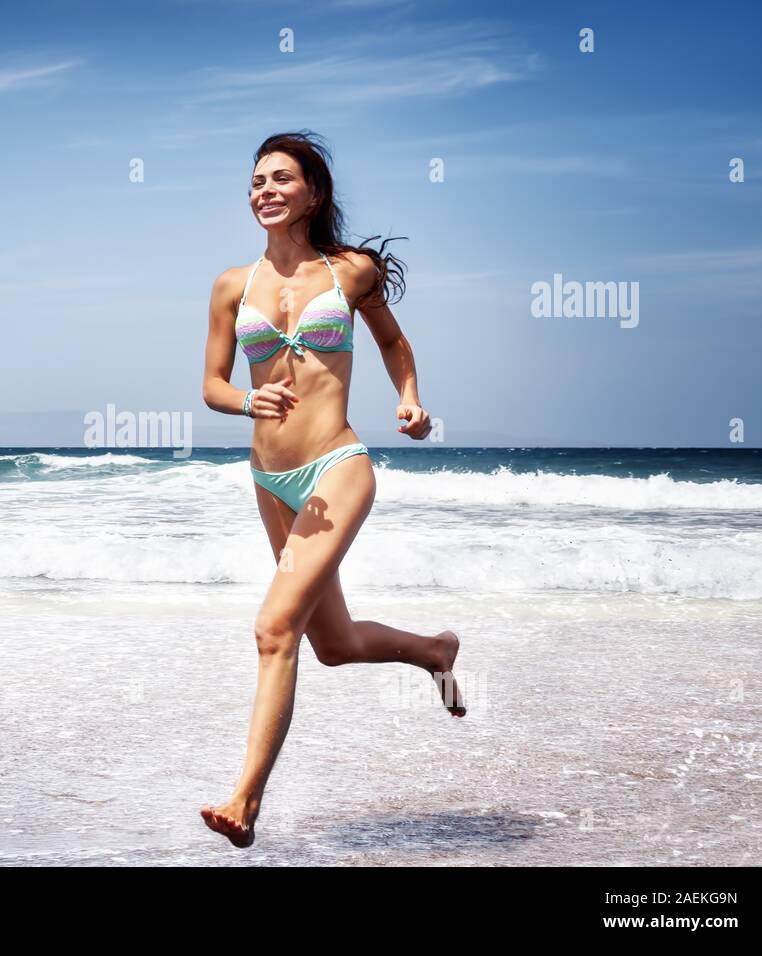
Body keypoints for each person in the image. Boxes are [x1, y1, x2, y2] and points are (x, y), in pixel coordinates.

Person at [199, 131, 464, 848]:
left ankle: (244, 801)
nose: (266, 191)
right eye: (257, 181)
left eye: (282, 178)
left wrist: (409, 398)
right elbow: (213, 384)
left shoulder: (350, 271)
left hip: (335, 467)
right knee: (334, 643)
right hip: (269, 479)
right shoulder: (233, 285)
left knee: (273, 629)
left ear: (313, 192)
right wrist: (242, 403)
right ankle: (435, 651)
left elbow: (391, 342)